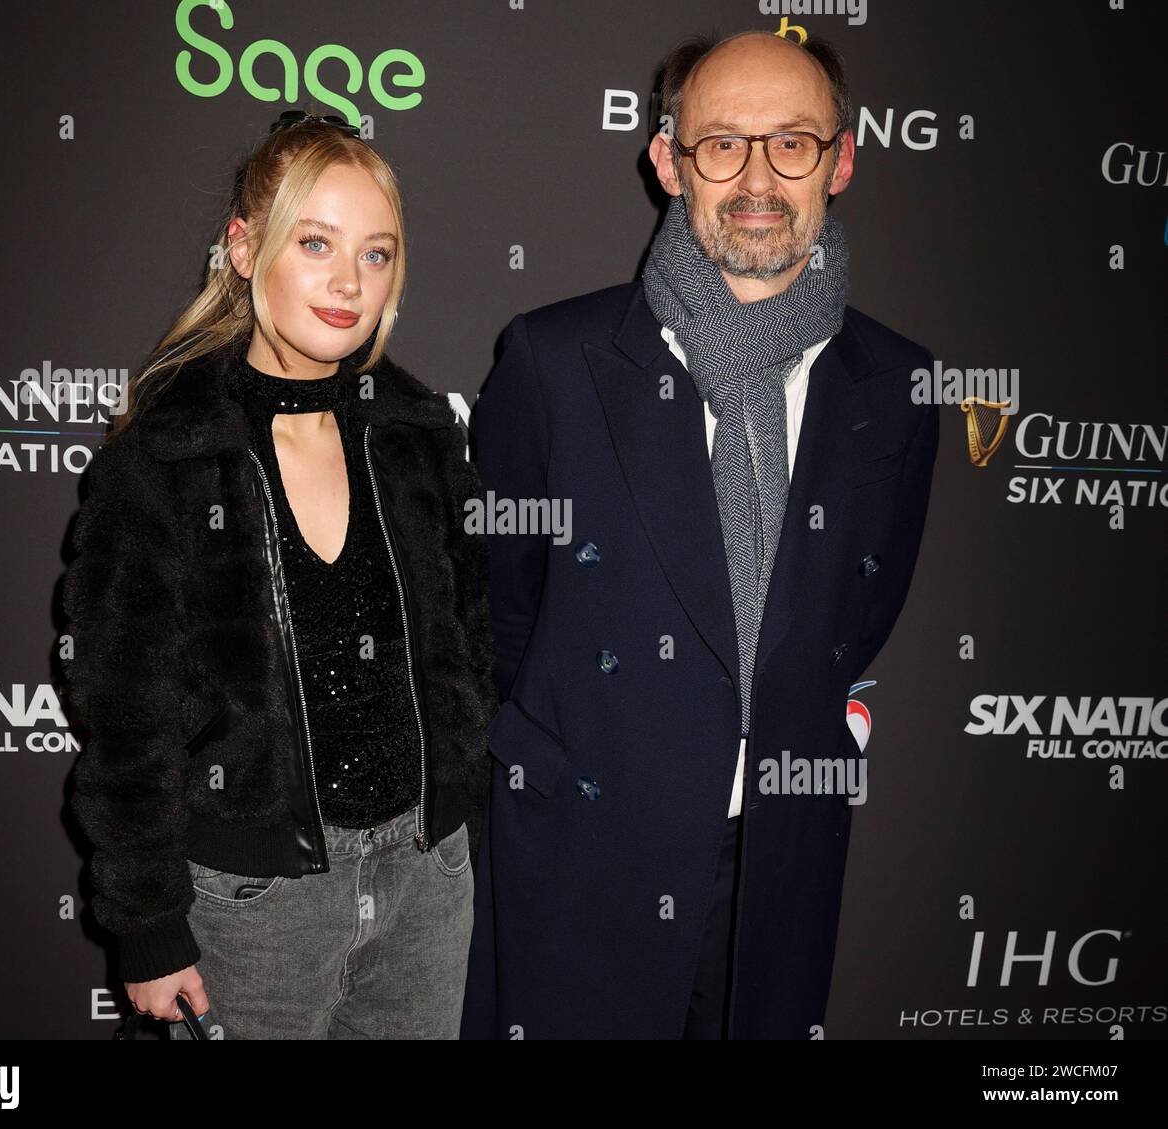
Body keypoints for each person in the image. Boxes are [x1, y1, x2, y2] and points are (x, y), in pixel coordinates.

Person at [462, 31, 939, 1039]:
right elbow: (490, 614)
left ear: (842, 159)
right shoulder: (555, 361)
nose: (757, 177)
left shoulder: (899, 387)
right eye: (721, 143)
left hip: (780, 865)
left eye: (791, 143)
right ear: (667, 160)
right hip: (578, 857)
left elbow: (858, 613)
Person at [62, 110, 496, 1039]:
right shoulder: (171, 454)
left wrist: (456, 803)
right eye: (316, 242)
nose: (349, 282)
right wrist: (146, 921)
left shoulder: (417, 436)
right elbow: (123, 712)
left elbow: (472, 638)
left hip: (428, 886)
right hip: (249, 907)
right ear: (243, 245)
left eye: (376, 254)